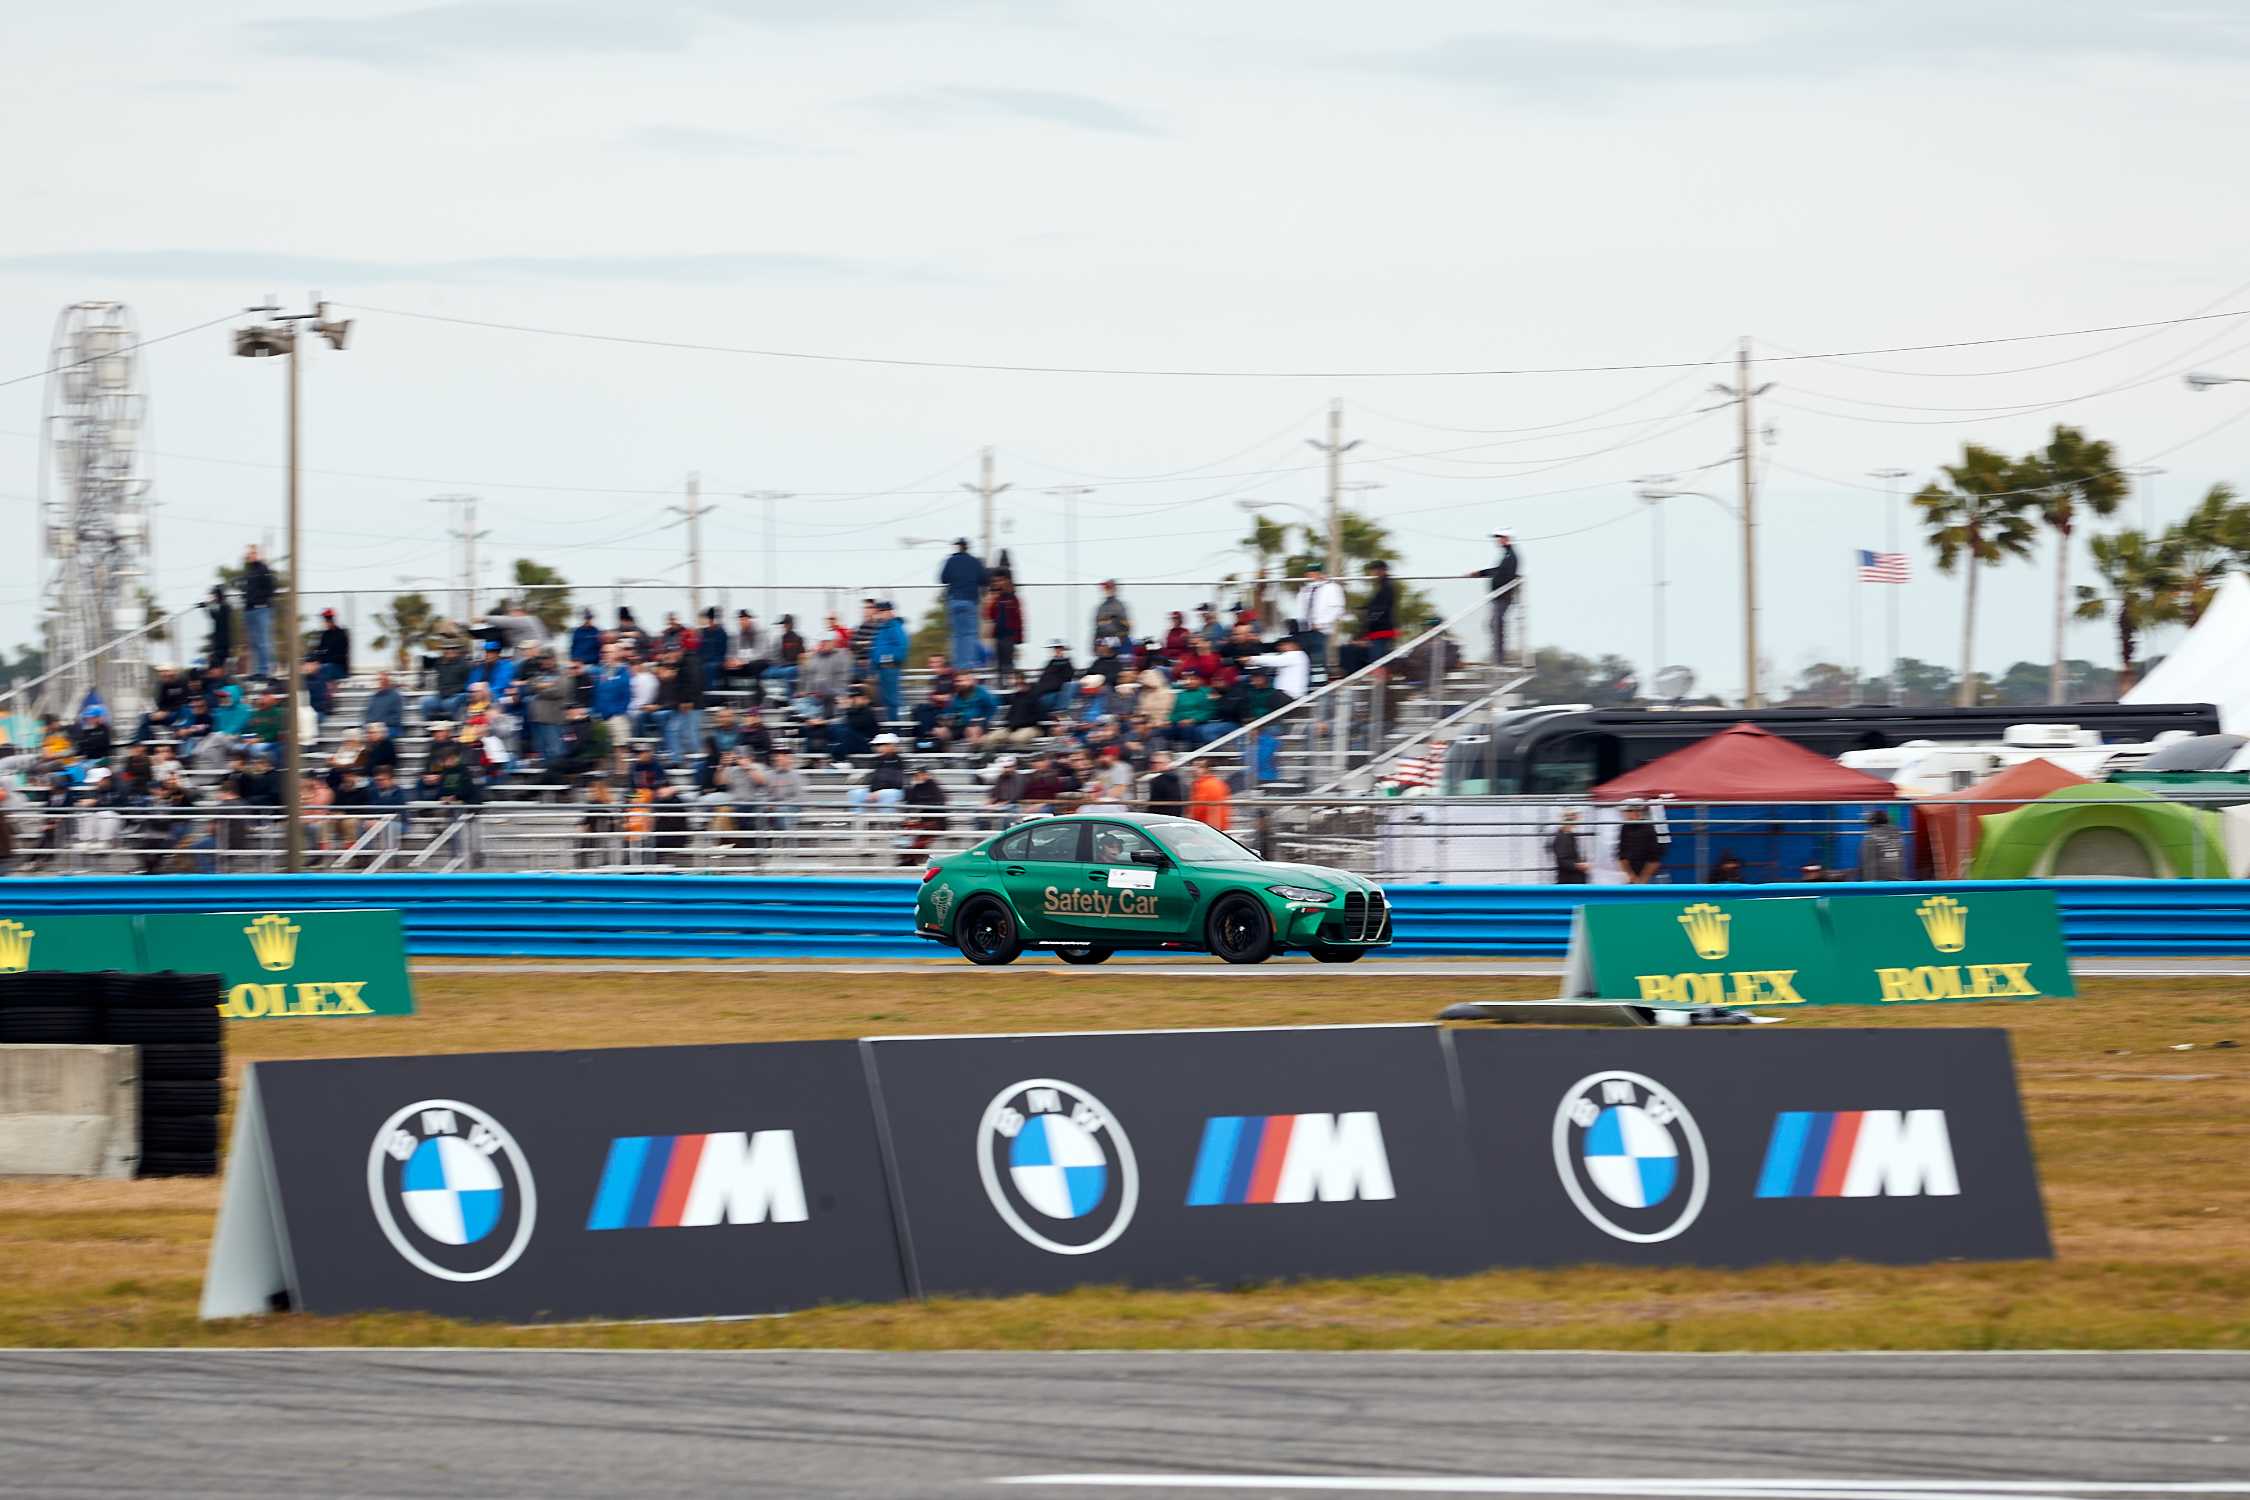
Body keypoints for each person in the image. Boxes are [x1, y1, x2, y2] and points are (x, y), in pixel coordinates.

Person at [1465, 530, 1521, 668]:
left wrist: (1497, 585)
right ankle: (1497, 656)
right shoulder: (1507, 555)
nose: (1498, 541)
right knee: (1493, 624)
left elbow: (1505, 574)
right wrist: (1481, 573)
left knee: (1496, 624)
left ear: (1506, 539)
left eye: (1500, 538)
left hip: (1503, 596)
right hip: (1499, 596)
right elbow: (1498, 570)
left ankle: (1499, 658)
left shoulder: (1511, 556)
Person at [939, 538, 988, 669]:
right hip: (970, 601)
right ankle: (968, 665)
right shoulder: (975, 561)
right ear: (967, 548)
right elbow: (985, 579)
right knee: (970, 633)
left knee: (956, 634)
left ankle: (958, 664)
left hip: (954, 600)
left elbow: (943, 578)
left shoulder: (950, 560)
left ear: (957, 547)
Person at [1295, 566, 1346, 678]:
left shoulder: (1331, 588)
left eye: (1313, 573)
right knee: (1304, 663)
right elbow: (1300, 610)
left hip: (1320, 630)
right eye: (1308, 574)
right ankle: (1308, 688)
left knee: (1318, 662)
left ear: (1320, 573)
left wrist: (1321, 623)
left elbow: (1338, 609)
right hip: (1303, 631)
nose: (1310, 576)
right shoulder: (1305, 590)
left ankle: (1319, 687)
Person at [869, 600, 910, 722]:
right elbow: (876, 649)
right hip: (881, 669)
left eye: (881, 611)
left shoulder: (895, 627)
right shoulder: (881, 628)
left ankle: (898, 729)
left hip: (890, 669)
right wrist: (873, 667)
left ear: (889, 612)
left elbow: (901, 648)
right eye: (878, 612)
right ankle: (892, 728)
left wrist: (883, 659)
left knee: (893, 701)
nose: (879, 614)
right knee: (886, 701)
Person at [240, 544, 276, 677]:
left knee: (263, 641)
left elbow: (271, 589)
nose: (249, 555)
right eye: (248, 553)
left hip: (261, 609)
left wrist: (260, 600)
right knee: (254, 643)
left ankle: (265, 670)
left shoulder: (264, 569)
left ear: (258, 554)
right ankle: (256, 670)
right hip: (249, 610)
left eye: (252, 553)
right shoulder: (249, 571)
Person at [985, 571, 1024, 681]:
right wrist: (992, 600)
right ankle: (1001, 683)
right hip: (999, 635)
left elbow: (1018, 618)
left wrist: (1019, 637)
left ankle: (1009, 684)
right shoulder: (997, 598)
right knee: (999, 663)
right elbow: (990, 615)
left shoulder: (1013, 599)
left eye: (1001, 580)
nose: (999, 583)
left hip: (1009, 635)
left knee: (1008, 663)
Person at [1617, 800, 1665, 883]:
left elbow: (1654, 859)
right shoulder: (1624, 828)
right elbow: (1622, 857)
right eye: (1630, 810)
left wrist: (1643, 879)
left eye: (1638, 810)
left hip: (1648, 876)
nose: (1635, 813)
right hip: (1631, 876)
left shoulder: (1649, 828)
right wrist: (1632, 876)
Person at [1361, 559, 1399, 661]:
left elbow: (1381, 608)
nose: (1372, 573)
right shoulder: (1383, 586)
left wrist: (1370, 620)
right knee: (1377, 659)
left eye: (1374, 570)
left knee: (1378, 660)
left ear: (1381, 571)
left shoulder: (1387, 587)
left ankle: (1381, 676)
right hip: (1379, 630)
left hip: (1382, 630)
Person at [1858, 808, 1906, 881]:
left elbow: (1868, 863)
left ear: (1872, 822)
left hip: (1879, 882)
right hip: (1898, 879)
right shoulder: (1898, 836)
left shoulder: (1871, 837)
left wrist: (1869, 884)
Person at [1186, 761, 1233, 831]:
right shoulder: (1219, 783)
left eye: (1199, 767)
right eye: (1194, 766)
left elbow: (1198, 808)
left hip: (1206, 827)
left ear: (1207, 769)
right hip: (1217, 826)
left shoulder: (1204, 785)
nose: (1194, 769)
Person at [1551, 807, 1590, 884]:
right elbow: (1561, 861)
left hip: (1573, 878)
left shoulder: (1570, 834)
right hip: (1569, 880)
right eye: (1574, 817)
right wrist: (1579, 866)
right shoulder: (1561, 836)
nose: (1577, 819)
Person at [1092, 579, 1131, 653]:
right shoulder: (1102, 606)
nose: (1105, 590)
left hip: (1117, 644)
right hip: (1105, 644)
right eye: (1105, 588)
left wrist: (1117, 640)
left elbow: (1126, 626)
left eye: (1108, 588)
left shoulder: (1118, 606)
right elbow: (1097, 625)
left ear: (1114, 589)